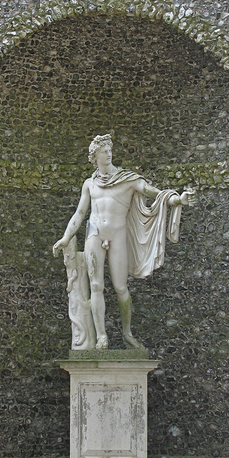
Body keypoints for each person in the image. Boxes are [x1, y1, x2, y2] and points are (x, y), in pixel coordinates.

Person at [53, 134, 196, 350]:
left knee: (121, 287)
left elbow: (153, 193)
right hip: (95, 233)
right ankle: (101, 336)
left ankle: (127, 333)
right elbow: (80, 213)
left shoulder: (128, 179)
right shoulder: (89, 184)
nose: (109, 153)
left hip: (118, 235)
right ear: (95, 156)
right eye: (104, 151)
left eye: (110, 149)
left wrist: (178, 199)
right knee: (96, 285)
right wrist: (66, 237)